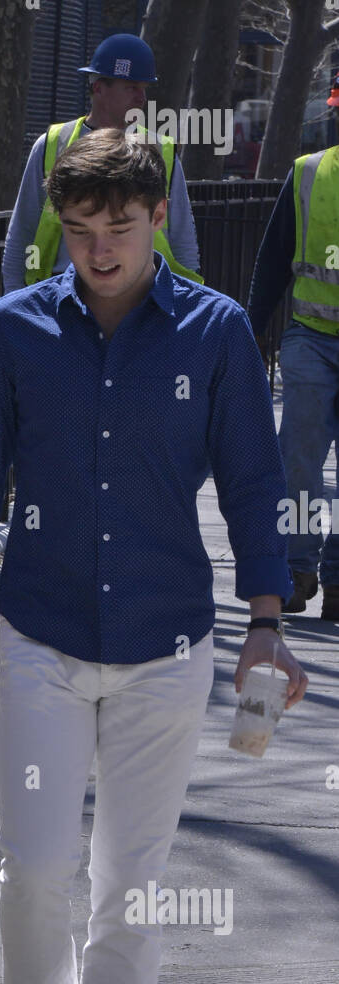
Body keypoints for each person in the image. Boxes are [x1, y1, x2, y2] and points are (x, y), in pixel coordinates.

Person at [0, 129, 307, 984]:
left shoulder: (214, 333)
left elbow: (250, 480)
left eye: (121, 229)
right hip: (41, 630)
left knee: (131, 890)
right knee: (39, 870)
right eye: (82, 231)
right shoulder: (16, 329)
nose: (100, 251)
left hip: (166, 640)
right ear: (63, 225)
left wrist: (265, 624)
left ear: (156, 222)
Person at [2, 33, 202, 294]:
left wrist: (187, 307)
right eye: (131, 87)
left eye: (144, 88)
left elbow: (182, 239)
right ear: (98, 88)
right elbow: (22, 232)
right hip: (60, 300)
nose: (141, 98)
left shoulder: (161, 150)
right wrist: (15, 303)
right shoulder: (52, 145)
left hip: (144, 300)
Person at [247, 73, 339, 620]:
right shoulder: (308, 174)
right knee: (299, 458)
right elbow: (274, 258)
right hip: (311, 336)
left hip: (311, 338)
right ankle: (298, 569)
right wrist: (249, 329)